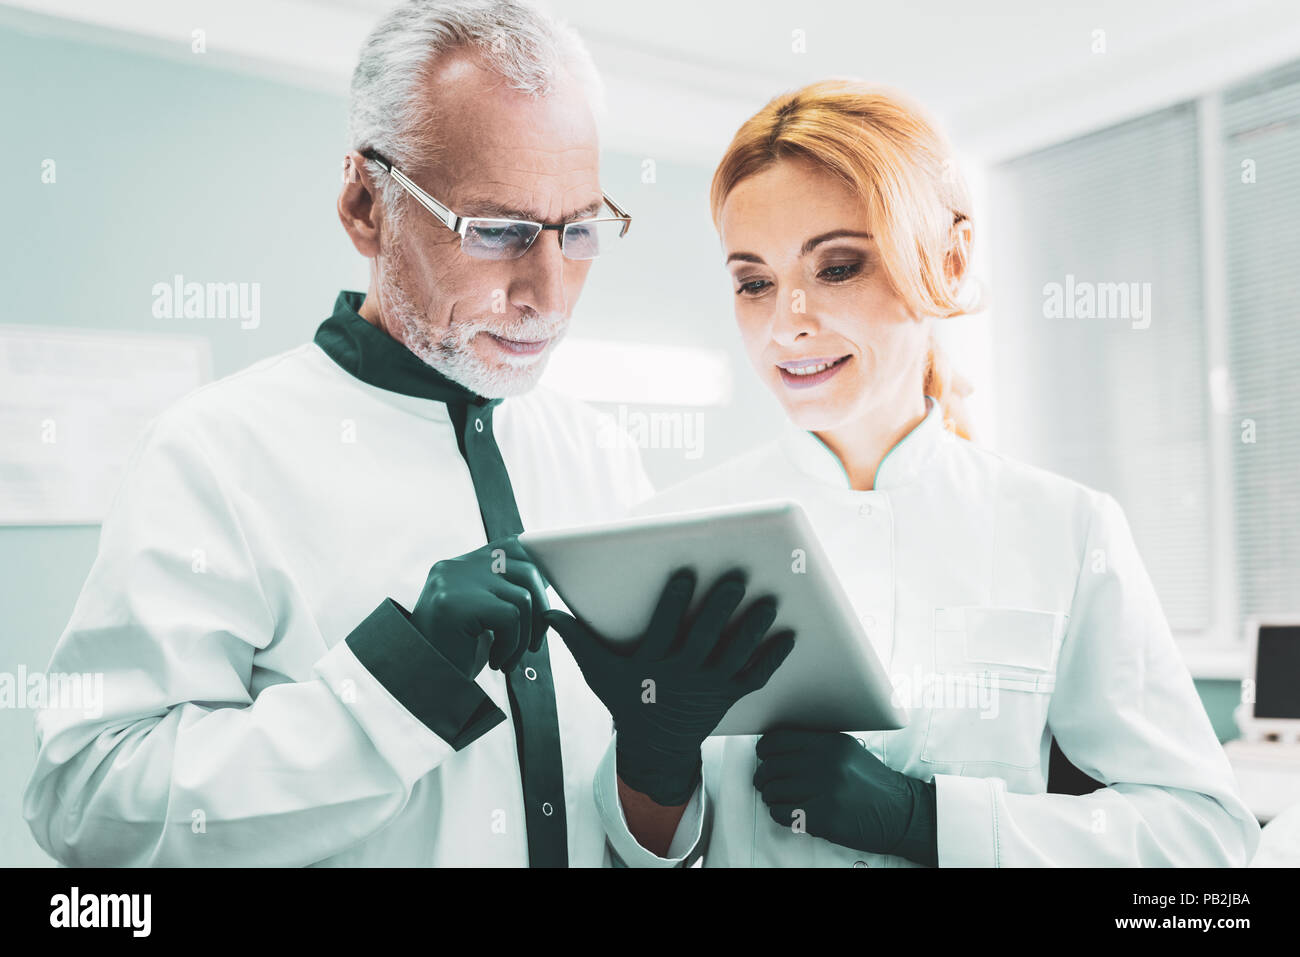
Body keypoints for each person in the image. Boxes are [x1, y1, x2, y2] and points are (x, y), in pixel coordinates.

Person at [22, 0, 779, 868]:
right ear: (363, 204)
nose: (548, 292)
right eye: (496, 231)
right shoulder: (215, 453)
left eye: (578, 231)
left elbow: (629, 834)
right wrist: (396, 680)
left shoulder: (601, 453)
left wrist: (658, 763)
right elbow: (82, 802)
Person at [547, 78, 1262, 866]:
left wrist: (925, 819)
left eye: (839, 266)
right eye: (754, 282)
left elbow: (1205, 838)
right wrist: (653, 769)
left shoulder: (1065, 526)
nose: (789, 322)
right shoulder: (671, 532)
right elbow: (632, 853)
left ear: (949, 262)